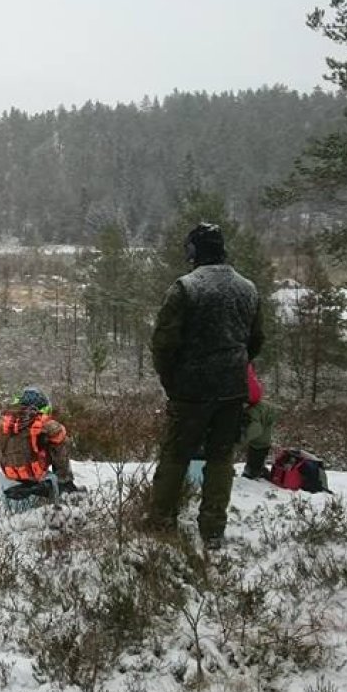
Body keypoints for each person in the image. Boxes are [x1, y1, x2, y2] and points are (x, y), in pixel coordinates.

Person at [148, 223, 265, 549]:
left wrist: (171, 381)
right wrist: (235, 368)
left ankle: (161, 521)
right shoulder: (248, 289)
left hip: (191, 389)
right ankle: (213, 529)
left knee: (175, 455)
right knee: (220, 457)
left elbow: (162, 344)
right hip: (232, 388)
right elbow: (255, 341)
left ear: (193, 252)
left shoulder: (185, 288)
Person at [0, 386, 83, 498]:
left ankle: (23, 480)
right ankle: (65, 483)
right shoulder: (41, 421)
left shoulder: (3, 423)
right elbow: (61, 435)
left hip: (9, 472)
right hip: (34, 472)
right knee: (60, 441)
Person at [241, 362, 279, 480]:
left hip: (265, 416)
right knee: (257, 444)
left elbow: (256, 430)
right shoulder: (243, 361)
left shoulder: (252, 413)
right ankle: (255, 469)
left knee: (260, 444)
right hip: (259, 408)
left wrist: (241, 440)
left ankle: (255, 470)